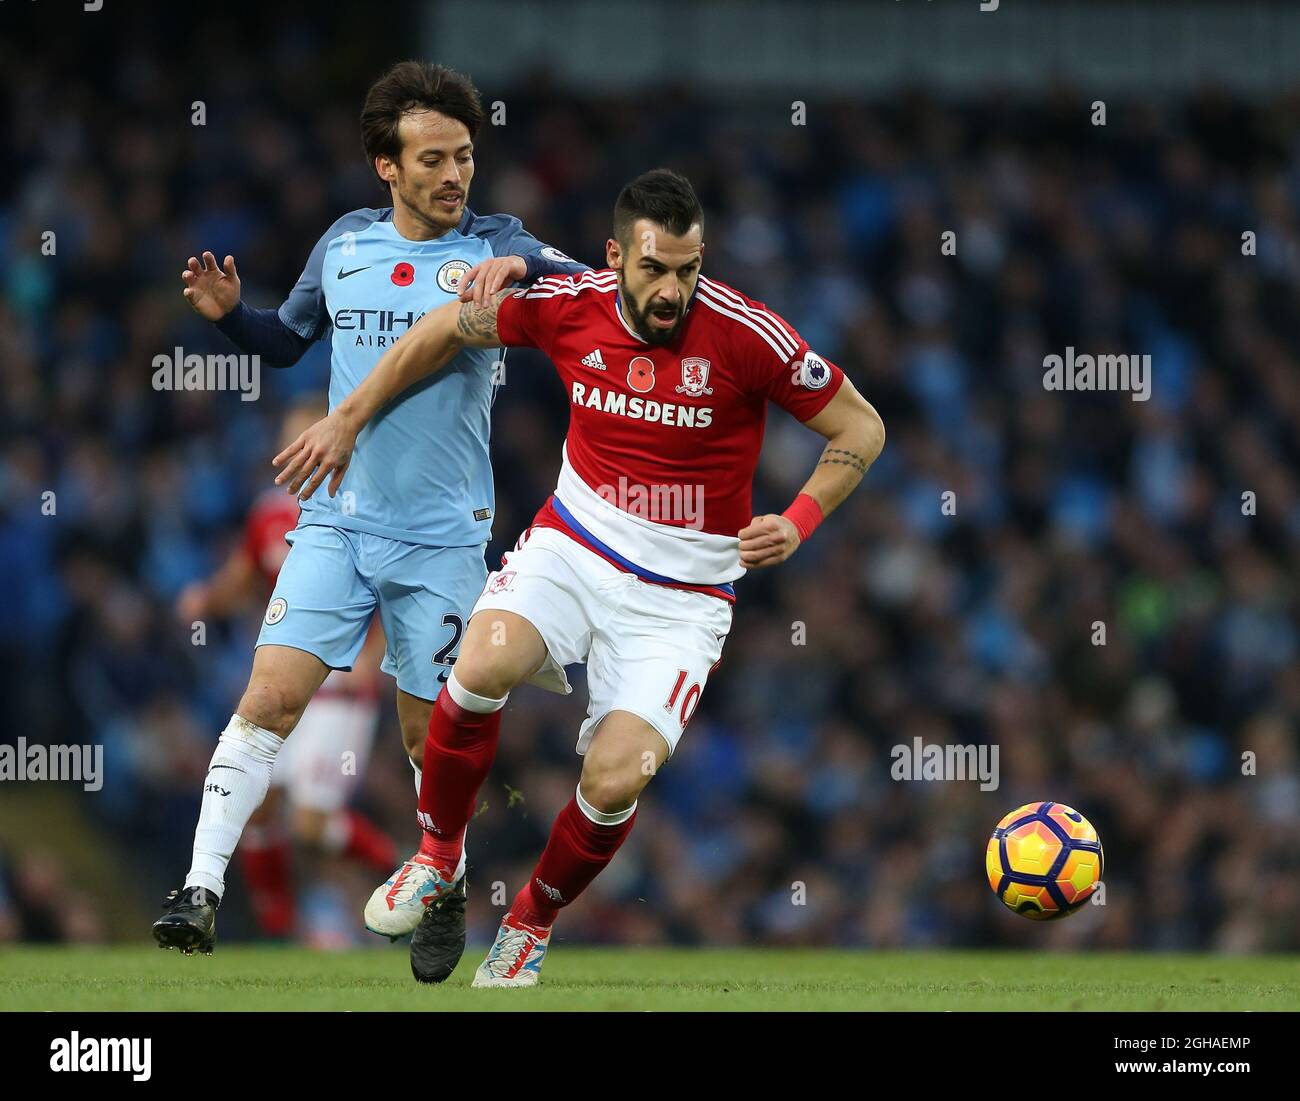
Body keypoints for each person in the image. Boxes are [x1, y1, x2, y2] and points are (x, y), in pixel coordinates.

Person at [274, 168, 886, 986]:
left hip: (683, 597)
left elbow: (860, 425)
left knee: (613, 777)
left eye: (688, 268)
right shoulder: (571, 306)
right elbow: (449, 325)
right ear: (614, 256)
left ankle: (529, 922)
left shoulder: (748, 335)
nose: (672, 289)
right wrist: (348, 416)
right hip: (573, 546)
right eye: (654, 268)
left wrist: (799, 518)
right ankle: (435, 856)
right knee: (479, 665)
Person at [152, 60, 588, 956]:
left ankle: (446, 880)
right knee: (268, 697)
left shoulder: (495, 240)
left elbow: (596, 297)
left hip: (442, 541)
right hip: (338, 522)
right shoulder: (344, 243)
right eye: (431, 159)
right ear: (386, 167)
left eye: (463, 156)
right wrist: (235, 318)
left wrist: (531, 262)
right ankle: (198, 888)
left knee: (431, 744)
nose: (453, 176)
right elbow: (287, 340)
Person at [175, 399, 395, 941]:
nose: (306, 453)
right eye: (296, 442)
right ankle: (280, 928)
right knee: (260, 805)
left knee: (310, 825)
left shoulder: (364, 508)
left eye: (313, 439)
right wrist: (206, 599)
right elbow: (244, 578)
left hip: (340, 687)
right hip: (285, 681)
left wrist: (372, 658)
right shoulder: (269, 515)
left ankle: (410, 873)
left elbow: (394, 587)